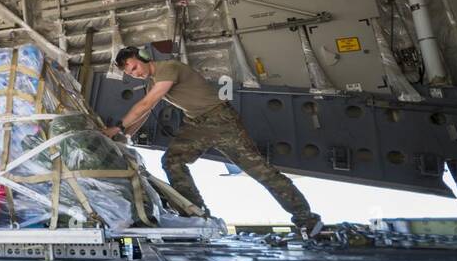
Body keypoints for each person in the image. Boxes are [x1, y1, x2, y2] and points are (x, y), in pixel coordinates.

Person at [103, 46, 323, 237]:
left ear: (143, 57)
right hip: (197, 124)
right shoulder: (152, 83)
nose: (135, 74)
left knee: (261, 172)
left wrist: (117, 127)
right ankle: (196, 214)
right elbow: (143, 114)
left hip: (221, 120)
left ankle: (307, 220)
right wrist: (123, 138)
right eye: (130, 73)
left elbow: (145, 104)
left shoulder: (168, 68)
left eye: (134, 67)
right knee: (172, 161)